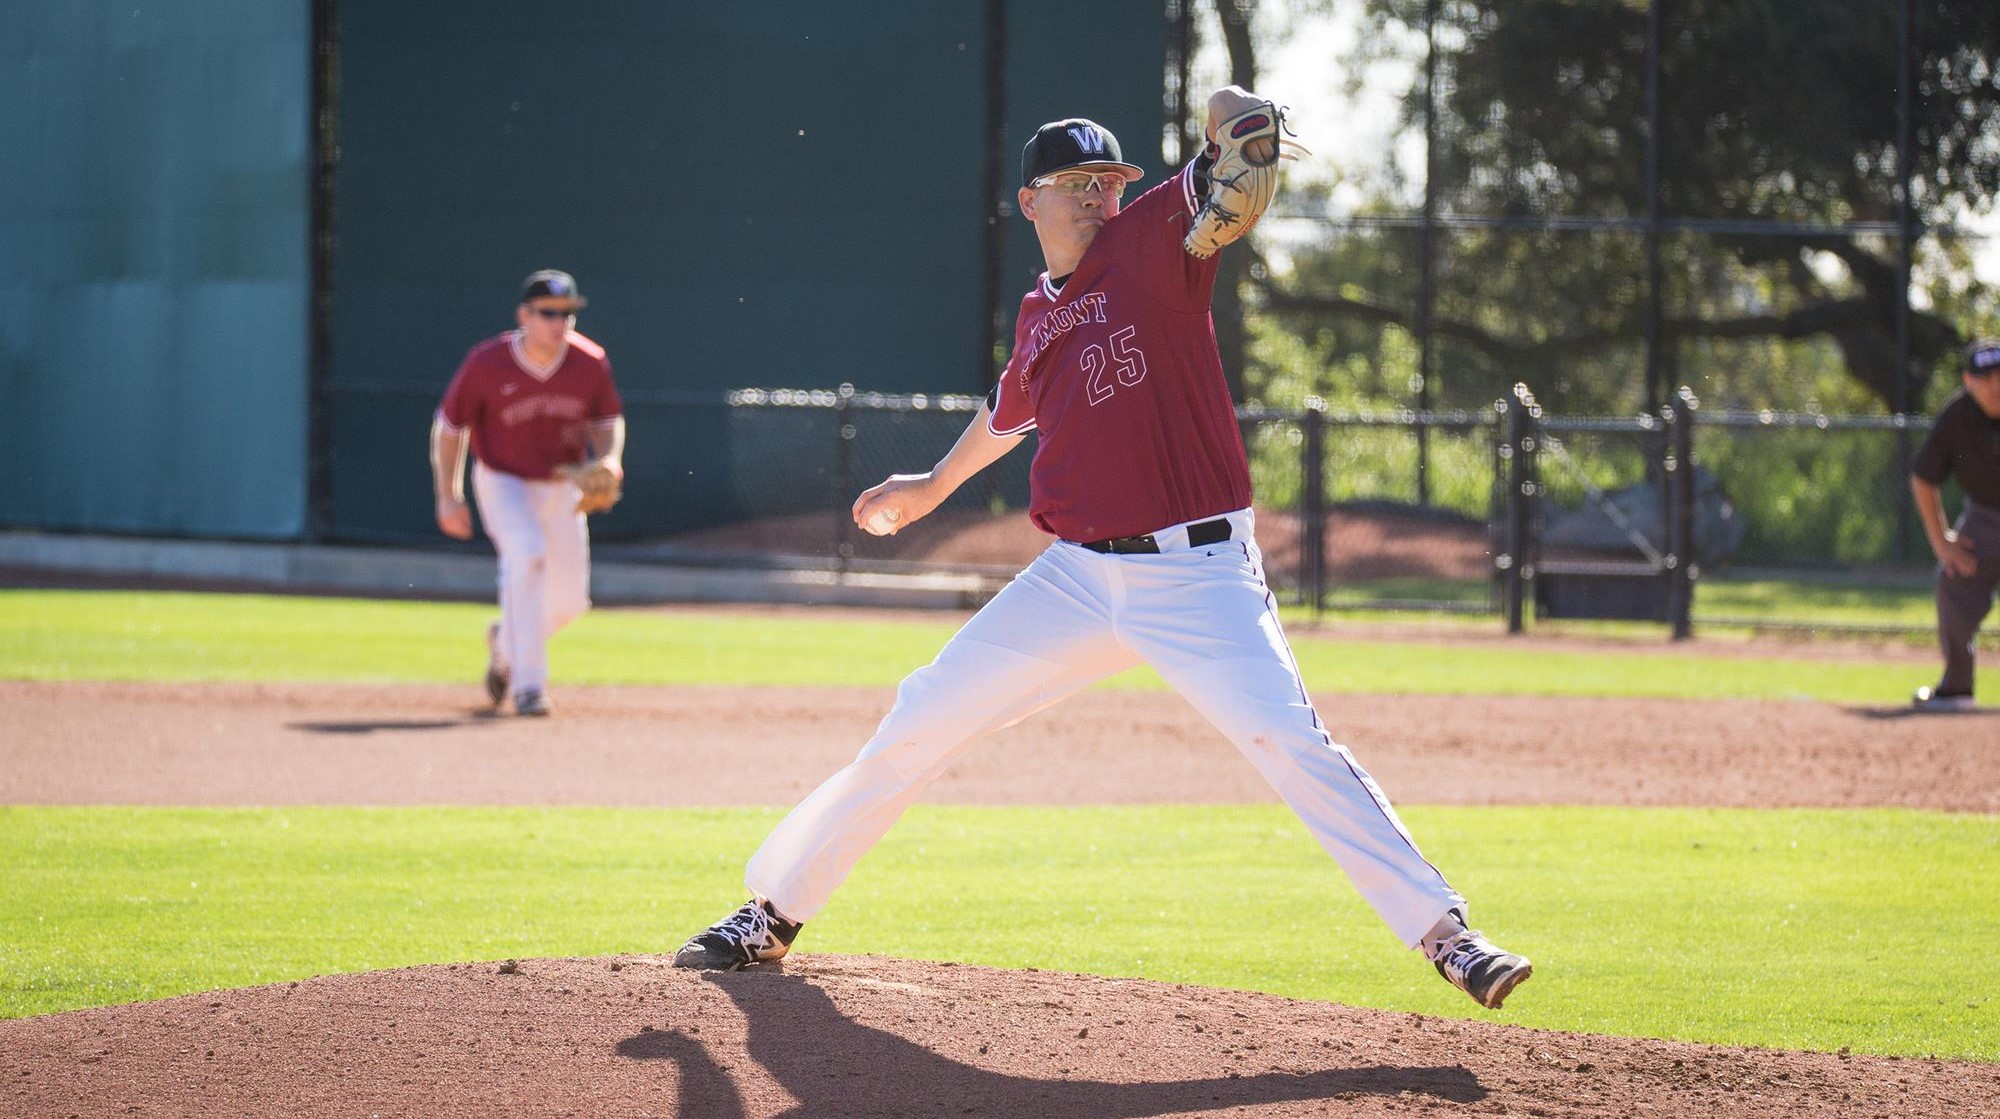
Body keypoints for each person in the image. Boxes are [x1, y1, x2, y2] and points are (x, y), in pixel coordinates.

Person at [672, 89, 1532, 1010]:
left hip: (1199, 572)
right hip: (1077, 578)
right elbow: (1008, 414)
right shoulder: (1041, 316)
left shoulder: (1153, 243)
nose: (1097, 195)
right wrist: (927, 489)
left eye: (1108, 180)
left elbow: (1235, 166)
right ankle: (772, 913)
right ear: (1028, 202)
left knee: (1285, 734)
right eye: (1075, 183)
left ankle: (1449, 935)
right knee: (921, 714)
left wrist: (1236, 114)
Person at [430, 270, 626, 717]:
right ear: (524, 315)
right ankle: (529, 687)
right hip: (504, 479)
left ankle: (505, 647)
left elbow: (607, 421)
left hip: (561, 484)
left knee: (572, 602)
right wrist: (448, 493)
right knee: (526, 554)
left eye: (567, 314)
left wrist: (610, 458)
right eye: (548, 314)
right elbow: (449, 429)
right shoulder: (486, 362)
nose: (559, 324)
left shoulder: (589, 361)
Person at [1909, 338, 2000, 712]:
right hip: (1984, 518)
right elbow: (1922, 477)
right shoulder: (1958, 416)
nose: (1995, 386)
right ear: (1967, 381)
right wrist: (1942, 541)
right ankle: (1958, 686)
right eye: (1985, 378)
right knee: (1952, 579)